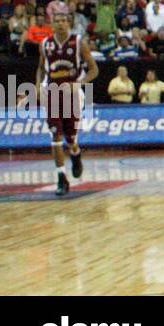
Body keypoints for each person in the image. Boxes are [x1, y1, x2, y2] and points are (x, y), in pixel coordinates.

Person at [30, 12, 98, 196]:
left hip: (72, 94)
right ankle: (61, 178)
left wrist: (80, 83)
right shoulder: (45, 44)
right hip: (51, 93)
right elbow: (40, 68)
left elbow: (94, 70)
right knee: (55, 137)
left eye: (63, 21)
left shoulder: (78, 42)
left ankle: (75, 154)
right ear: (51, 24)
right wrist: (37, 86)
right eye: (57, 21)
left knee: (71, 138)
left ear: (69, 23)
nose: (60, 24)